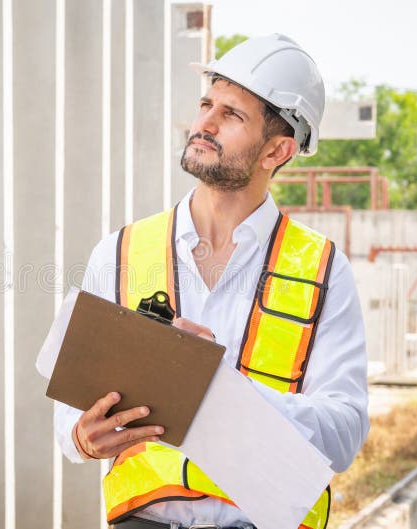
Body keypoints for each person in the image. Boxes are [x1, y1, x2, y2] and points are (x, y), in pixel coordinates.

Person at [54, 34, 369, 529]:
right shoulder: (119, 252)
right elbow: (70, 408)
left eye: (232, 114)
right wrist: (81, 437)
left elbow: (344, 433)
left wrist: (220, 386)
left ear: (277, 150)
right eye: (207, 105)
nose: (205, 123)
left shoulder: (323, 270)